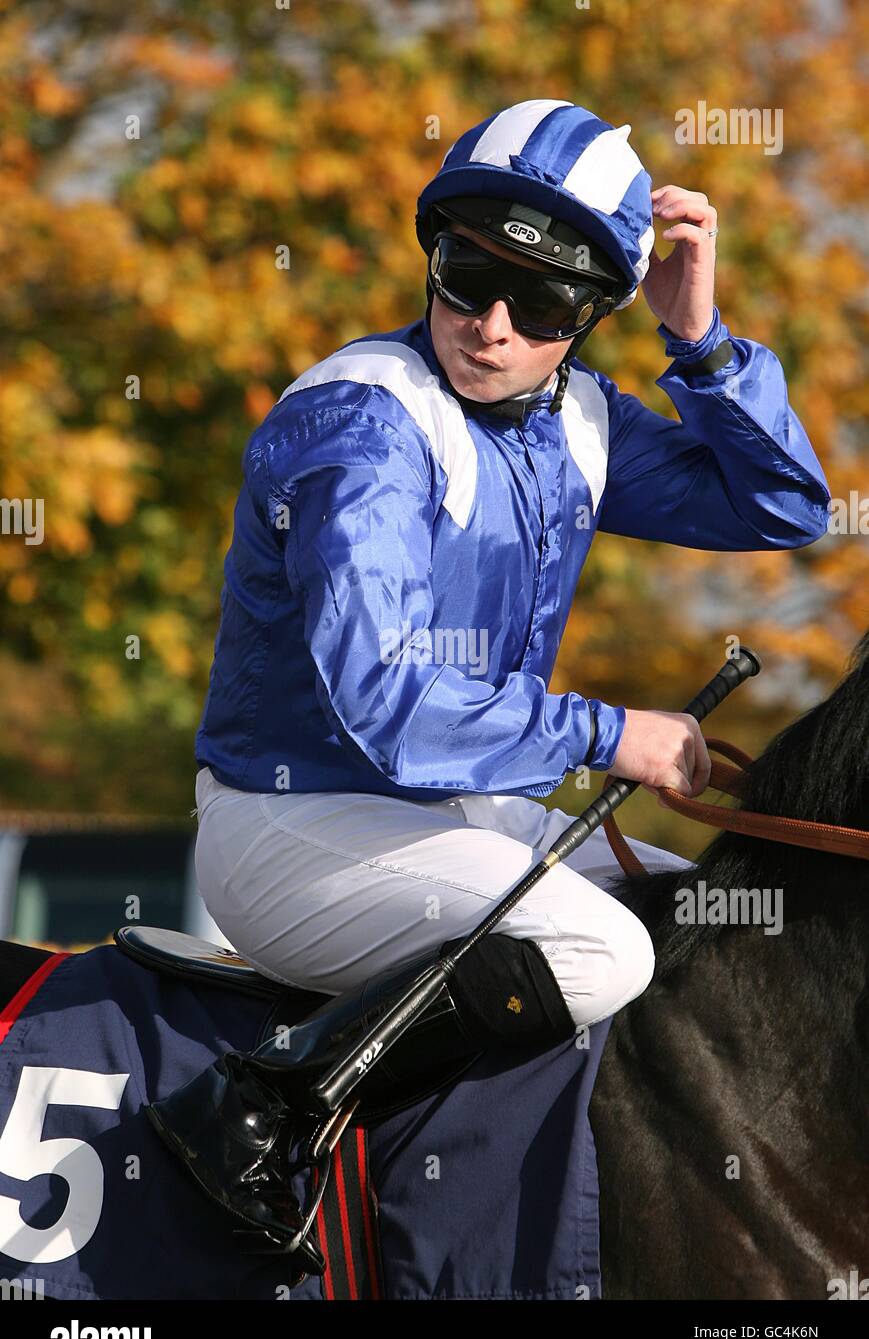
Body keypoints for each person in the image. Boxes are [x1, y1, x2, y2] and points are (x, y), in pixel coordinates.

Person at [147, 99, 831, 1240]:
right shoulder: (358, 431)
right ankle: (275, 1105)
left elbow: (782, 504)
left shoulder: (575, 417)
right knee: (603, 949)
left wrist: (699, 346)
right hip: (290, 829)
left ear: (595, 312)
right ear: (434, 257)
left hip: (455, 817)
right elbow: (391, 706)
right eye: (465, 274)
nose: (492, 324)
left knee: (711, 929)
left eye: (546, 300)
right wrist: (612, 735)